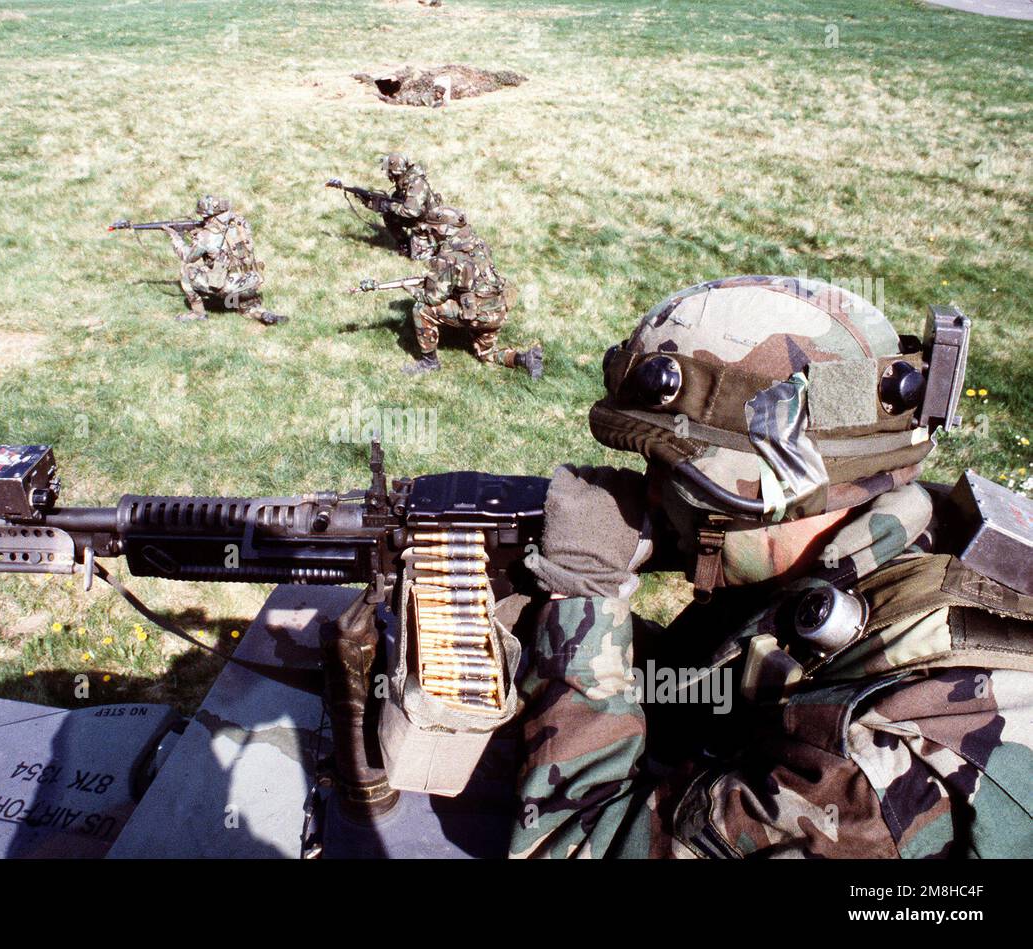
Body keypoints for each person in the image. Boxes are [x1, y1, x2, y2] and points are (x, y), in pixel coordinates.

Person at [514, 274, 1033, 858]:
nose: (651, 499)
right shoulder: (893, 540)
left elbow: (577, 845)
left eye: (675, 478)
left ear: (773, 495)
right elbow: (706, 696)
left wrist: (584, 600)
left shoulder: (869, 768)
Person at [400, 207, 542, 378]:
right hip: (498, 309)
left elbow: (434, 298)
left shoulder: (448, 257)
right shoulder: (477, 243)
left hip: (477, 314)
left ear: (442, 230)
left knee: (421, 309)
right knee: (485, 354)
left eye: (432, 230)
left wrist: (414, 291)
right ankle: (525, 358)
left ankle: (429, 362)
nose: (431, 235)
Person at [168, 195, 286, 325]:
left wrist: (175, 237)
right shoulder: (241, 223)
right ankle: (262, 314)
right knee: (247, 308)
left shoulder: (207, 234)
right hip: (250, 279)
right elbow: (228, 245)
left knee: (186, 271)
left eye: (204, 217)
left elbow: (187, 257)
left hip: (229, 286)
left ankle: (198, 313)